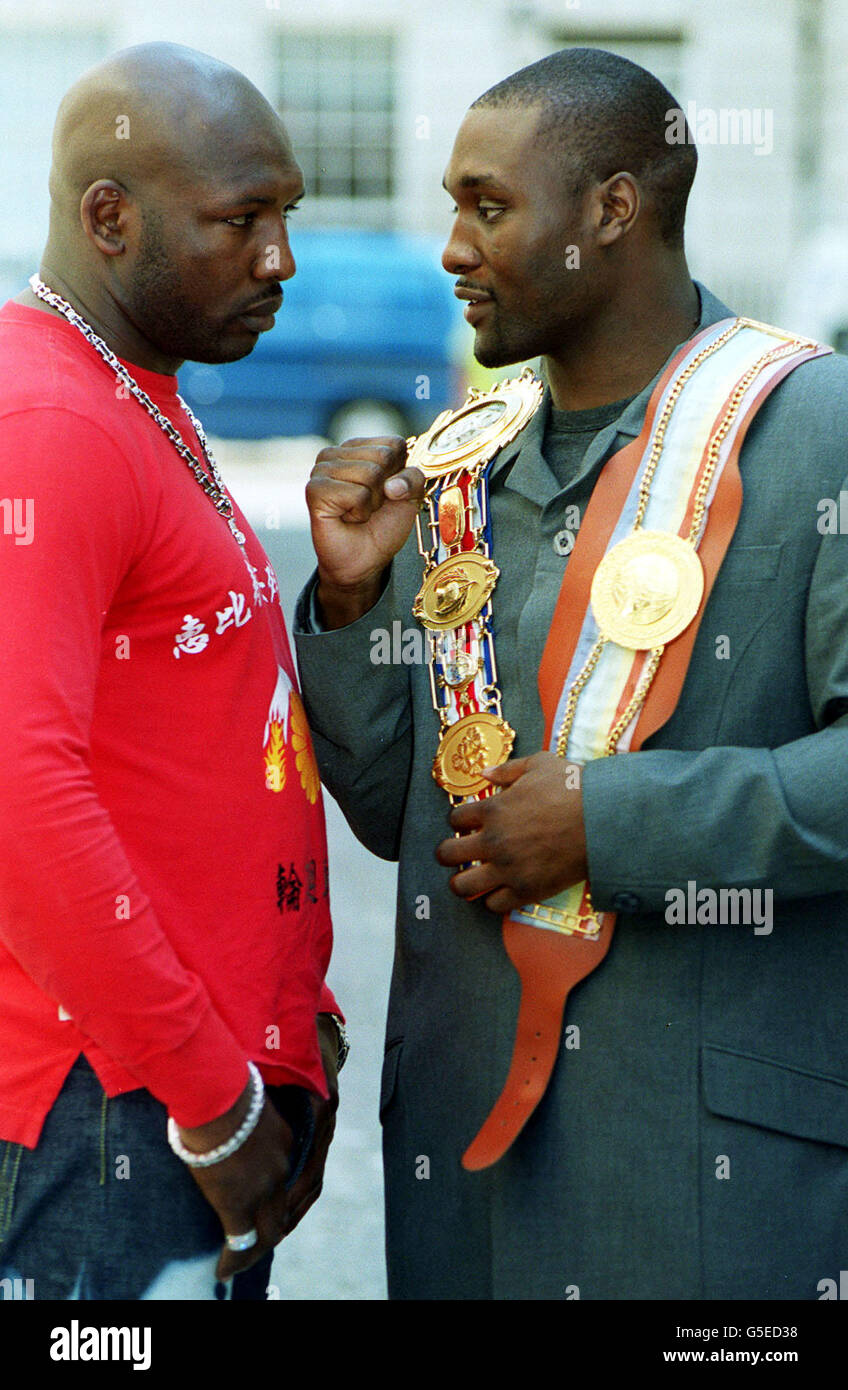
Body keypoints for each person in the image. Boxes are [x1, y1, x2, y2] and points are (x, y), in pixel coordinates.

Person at [294, 47, 848, 1299]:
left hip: (701, 1180)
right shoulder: (459, 476)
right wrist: (345, 600)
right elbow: (403, 819)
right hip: (465, 1167)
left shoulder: (815, 427)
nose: (450, 246)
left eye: (487, 207)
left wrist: (612, 822)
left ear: (610, 211)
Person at [0, 42, 346, 1302]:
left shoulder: (137, 390)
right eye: (240, 221)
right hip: (114, 1109)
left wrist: (297, 1023)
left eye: (287, 215)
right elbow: (18, 797)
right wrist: (209, 1103)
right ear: (110, 217)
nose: (281, 260)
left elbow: (201, 745)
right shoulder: (47, 422)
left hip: (176, 1095)